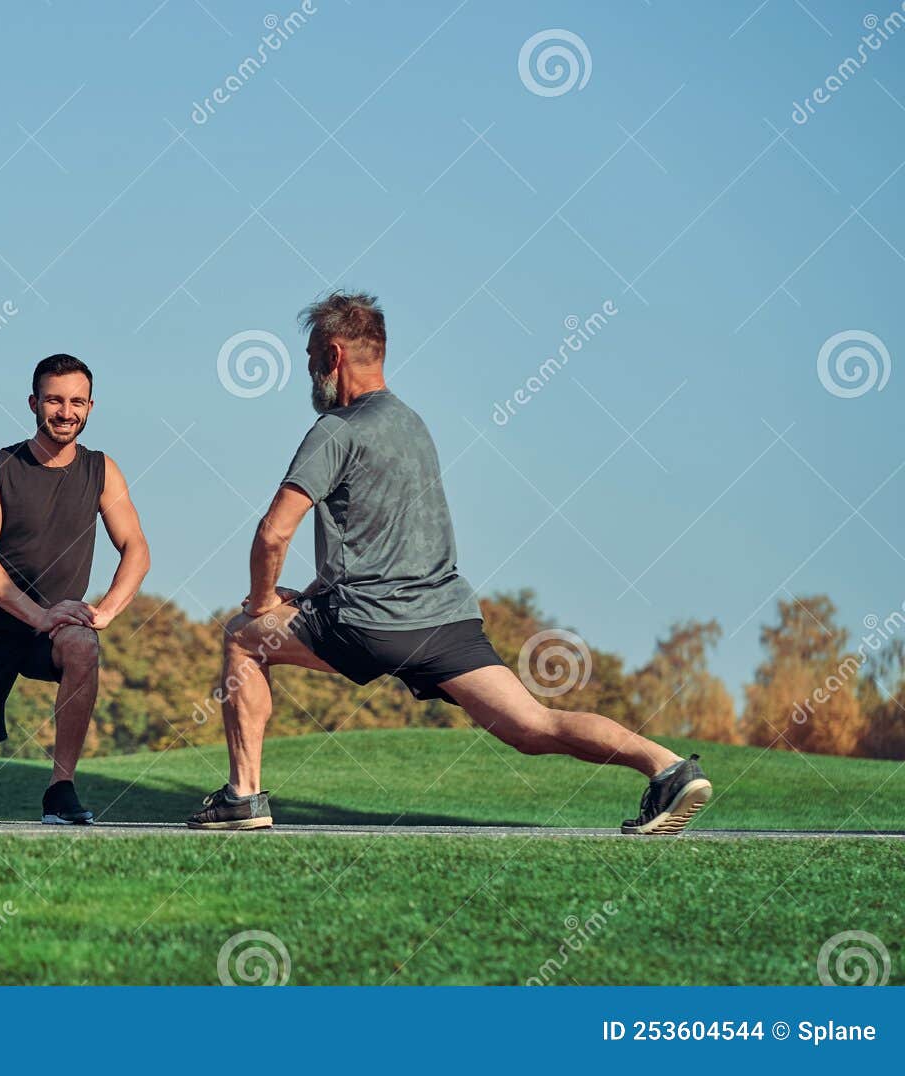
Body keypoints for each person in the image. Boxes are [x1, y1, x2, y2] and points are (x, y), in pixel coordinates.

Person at [186, 292, 711, 835]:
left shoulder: (336, 430)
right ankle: (667, 768)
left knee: (243, 635)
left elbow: (274, 532)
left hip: (371, 623)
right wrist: (319, 590)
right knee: (532, 726)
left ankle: (243, 797)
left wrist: (261, 602)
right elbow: (383, 537)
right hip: (446, 622)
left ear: (334, 354)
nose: (310, 369)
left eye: (312, 356)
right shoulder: (413, 425)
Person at [0, 354, 150, 824]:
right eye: (54, 400)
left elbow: (136, 548)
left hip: (56, 627)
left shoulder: (102, 471)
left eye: (76, 402)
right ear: (33, 402)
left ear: (90, 407)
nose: (66, 412)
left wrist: (103, 612)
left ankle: (60, 789)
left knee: (84, 643)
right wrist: (37, 614)